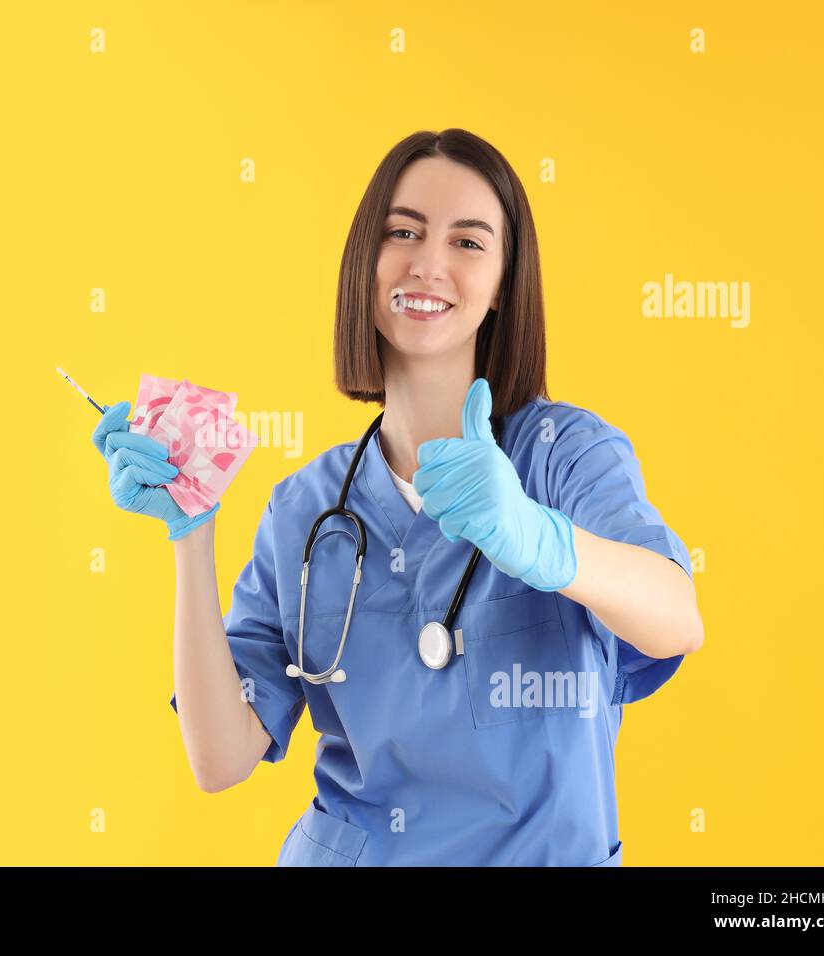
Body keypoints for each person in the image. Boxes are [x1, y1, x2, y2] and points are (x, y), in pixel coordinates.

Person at [90, 128, 703, 866]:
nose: (429, 263)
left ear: (505, 282)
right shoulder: (305, 511)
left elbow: (675, 621)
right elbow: (221, 759)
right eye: (403, 232)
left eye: (469, 242)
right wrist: (191, 534)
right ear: (364, 263)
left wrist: (542, 541)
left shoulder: (563, 457)